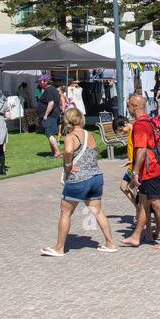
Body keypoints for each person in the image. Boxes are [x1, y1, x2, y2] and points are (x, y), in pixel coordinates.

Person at [41, 107, 118, 256]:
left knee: (65, 212)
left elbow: (69, 151)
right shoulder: (90, 135)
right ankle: (110, 243)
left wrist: (68, 165)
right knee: (98, 211)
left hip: (78, 180)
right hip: (95, 177)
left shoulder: (71, 136)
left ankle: (59, 248)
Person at [120, 93, 160, 250]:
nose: (128, 108)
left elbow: (142, 150)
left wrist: (134, 173)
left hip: (151, 171)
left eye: (129, 105)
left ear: (135, 106)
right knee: (143, 203)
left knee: (157, 205)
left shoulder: (140, 125)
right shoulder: (148, 121)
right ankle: (136, 236)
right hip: (150, 170)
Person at [38, 76, 61, 157]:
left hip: (50, 116)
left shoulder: (48, 89)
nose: (39, 82)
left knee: (49, 133)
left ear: (45, 81)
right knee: (50, 134)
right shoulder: (53, 89)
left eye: (40, 81)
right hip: (54, 115)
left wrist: (46, 115)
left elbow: (51, 103)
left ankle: (57, 152)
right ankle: (54, 152)